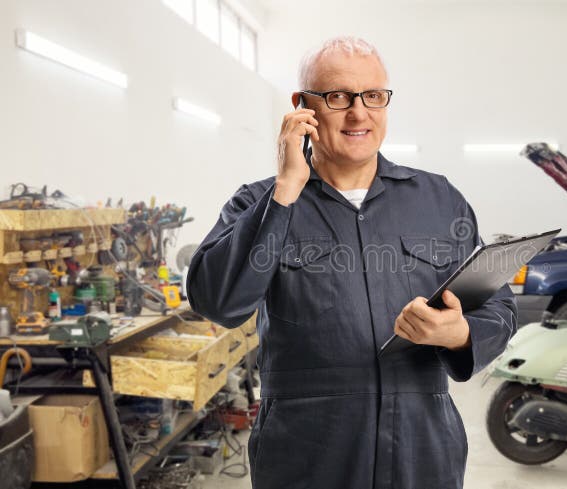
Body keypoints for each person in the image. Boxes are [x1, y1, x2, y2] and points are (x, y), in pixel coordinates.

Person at [187, 36, 517, 489]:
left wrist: (460, 334)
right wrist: (285, 191)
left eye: (374, 97)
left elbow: (498, 307)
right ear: (302, 106)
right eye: (339, 97)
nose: (359, 113)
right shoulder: (259, 202)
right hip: (309, 451)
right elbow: (217, 302)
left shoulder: (439, 200)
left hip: (422, 447)